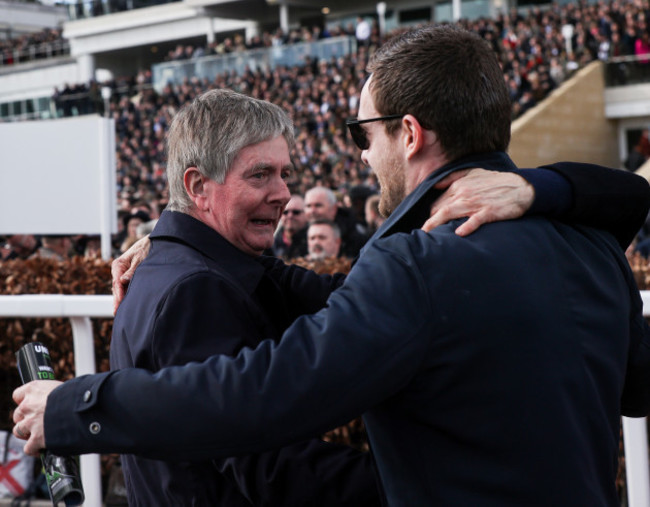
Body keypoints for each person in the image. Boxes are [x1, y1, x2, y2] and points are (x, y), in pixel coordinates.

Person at [13, 25, 650, 506]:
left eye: (362, 135)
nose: (364, 159)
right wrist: (183, 237)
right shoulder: (591, 245)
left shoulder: (416, 265)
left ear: (408, 133)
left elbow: (258, 394)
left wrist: (78, 407)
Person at [90, 89, 383, 505]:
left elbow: (348, 297)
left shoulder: (199, 261)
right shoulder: (195, 288)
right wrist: (412, 487)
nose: (283, 193)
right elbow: (266, 465)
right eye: (260, 174)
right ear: (198, 186)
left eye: (285, 174)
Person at [304, 186, 368, 258]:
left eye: (318, 205)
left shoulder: (357, 239)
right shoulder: (299, 237)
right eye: (308, 206)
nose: (312, 211)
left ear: (333, 209)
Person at [271, 194, 308, 258]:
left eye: (296, 212)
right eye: (285, 212)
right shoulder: (270, 246)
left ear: (306, 215)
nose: (290, 216)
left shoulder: (313, 243)